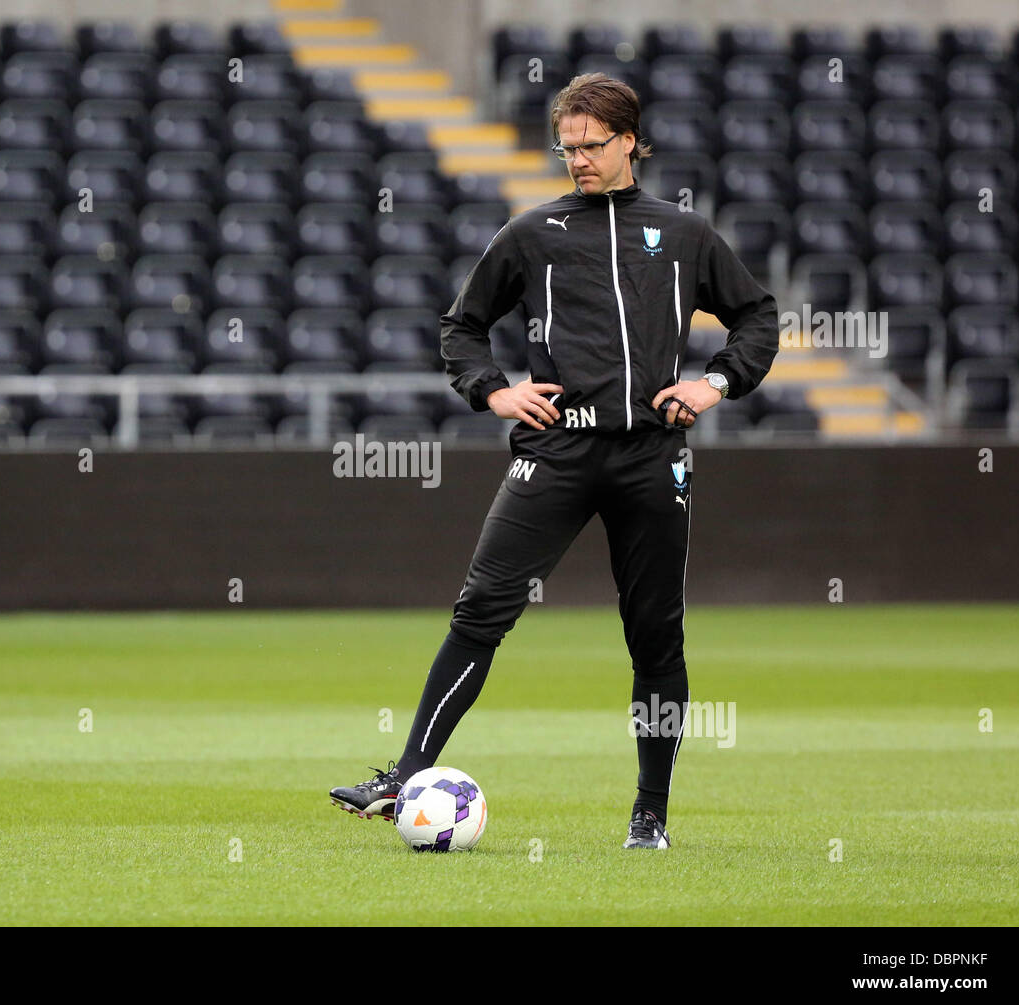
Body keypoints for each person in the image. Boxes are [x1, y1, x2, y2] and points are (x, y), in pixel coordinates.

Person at [330, 73, 779, 848]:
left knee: (655, 639)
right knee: (480, 610)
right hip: (556, 451)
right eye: (566, 147)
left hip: (651, 457)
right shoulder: (533, 232)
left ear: (630, 140)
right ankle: (405, 775)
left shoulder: (684, 234)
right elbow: (461, 326)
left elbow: (757, 317)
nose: (577, 160)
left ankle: (650, 815)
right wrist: (493, 392)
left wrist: (714, 383)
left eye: (591, 146)